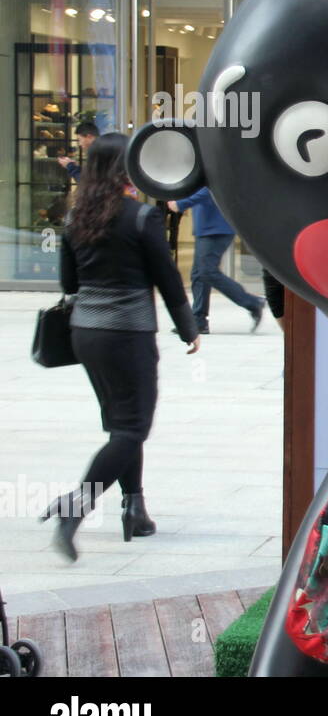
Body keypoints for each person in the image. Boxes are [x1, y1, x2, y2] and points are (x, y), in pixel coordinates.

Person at [42, 133, 201, 561]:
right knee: (133, 428)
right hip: (128, 333)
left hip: (86, 333)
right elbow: (168, 279)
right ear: (124, 168)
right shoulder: (140, 217)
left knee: (121, 425)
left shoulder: (76, 216)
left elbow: (69, 284)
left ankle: (135, 511)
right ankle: (76, 505)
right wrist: (189, 328)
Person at [166, 187, 265, 334]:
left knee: (207, 272)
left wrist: (181, 204)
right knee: (199, 274)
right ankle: (198, 321)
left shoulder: (208, 168)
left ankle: (252, 302)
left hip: (216, 228)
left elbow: (207, 190)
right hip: (207, 227)